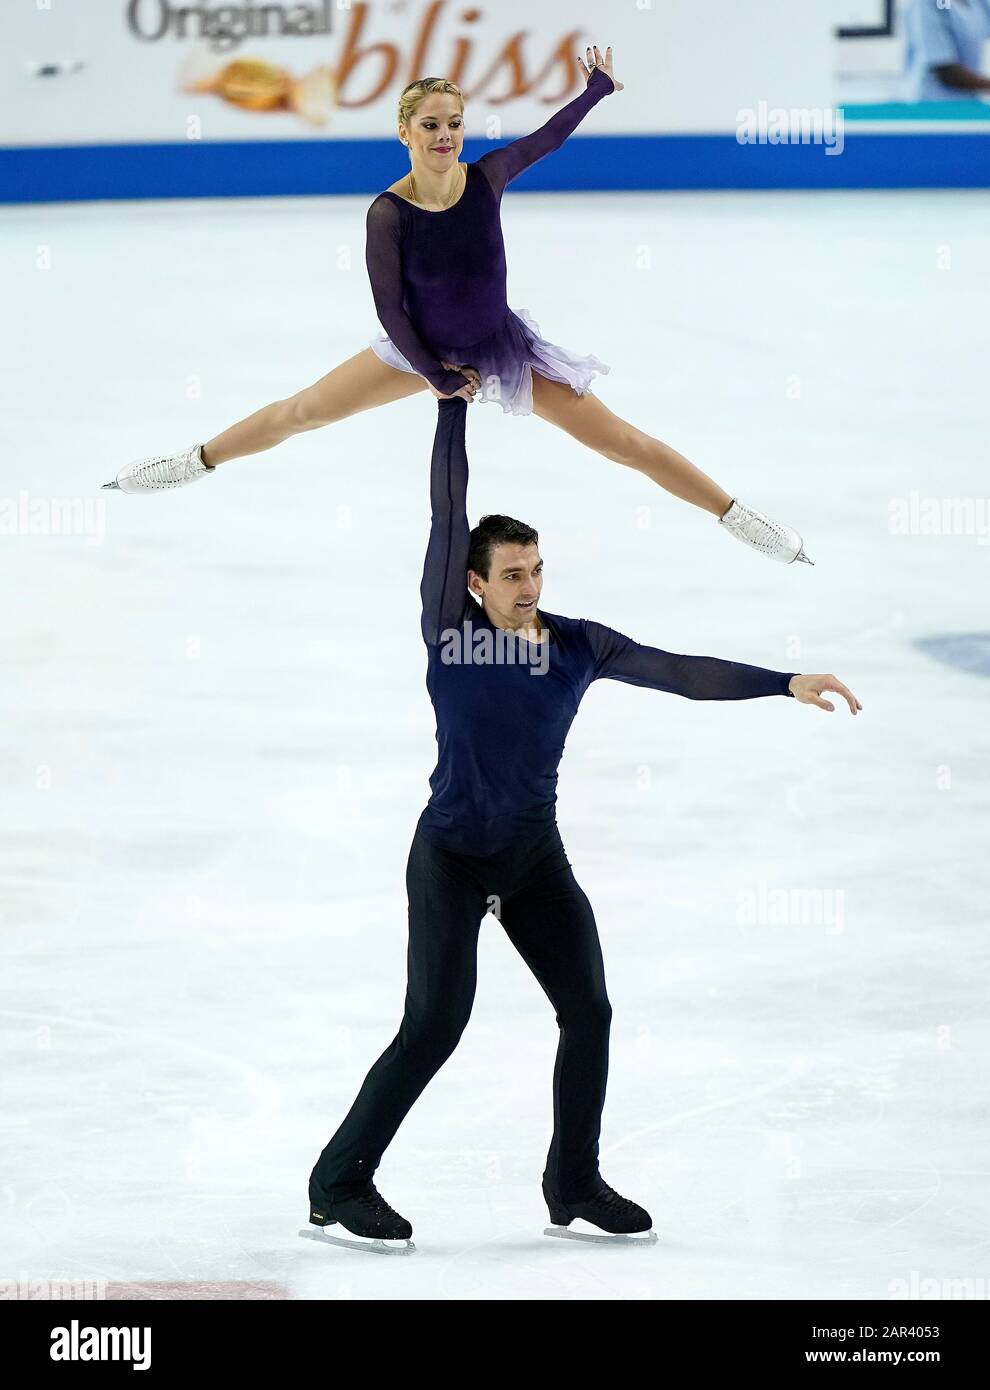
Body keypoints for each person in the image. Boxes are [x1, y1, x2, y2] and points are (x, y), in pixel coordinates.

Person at [303, 396, 860, 1253]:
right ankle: (339, 1180)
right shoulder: (450, 634)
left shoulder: (576, 646)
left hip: (532, 858)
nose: (530, 586)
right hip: (450, 856)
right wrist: (451, 410)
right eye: (512, 573)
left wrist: (783, 681)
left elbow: (679, 671)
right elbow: (445, 508)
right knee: (435, 1026)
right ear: (474, 582)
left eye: (536, 569)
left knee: (589, 1010)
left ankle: (573, 1180)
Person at [102, 44, 811, 566]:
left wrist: (595, 89)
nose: (446, 136)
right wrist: (435, 374)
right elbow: (391, 311)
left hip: (501, 348)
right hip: (417, 351)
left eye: (455, 123)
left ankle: (740, 518)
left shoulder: (487, 178)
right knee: (304, 411)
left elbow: (547, 139)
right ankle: (193, 461)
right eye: (432, 125)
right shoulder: (389, 213)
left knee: (619, 441)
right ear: (405, 133)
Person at [902, 0, 990, 101]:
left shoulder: (978, 3)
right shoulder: (927, 3)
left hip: (966, 102)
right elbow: (945, 69)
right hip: (931, 103)